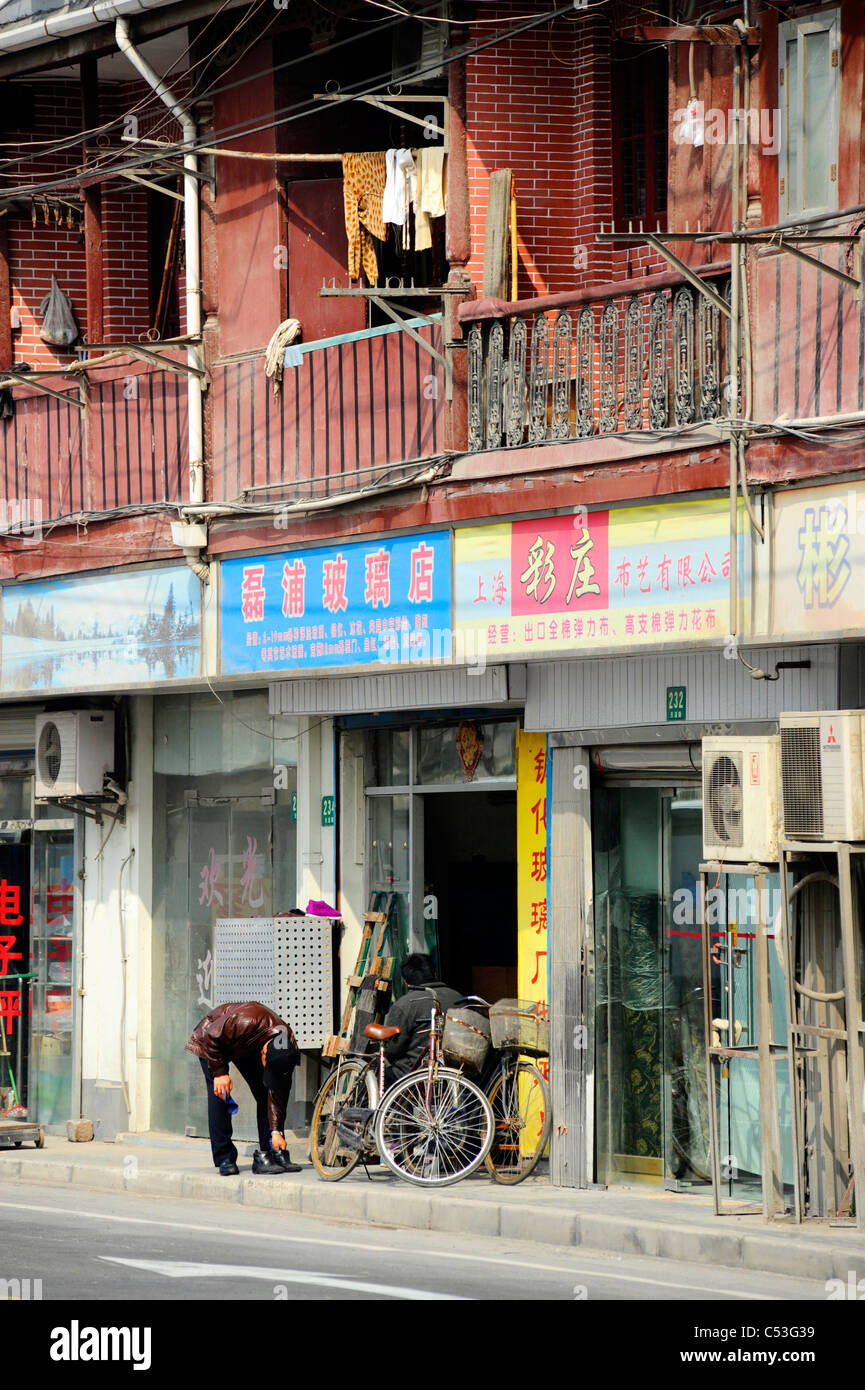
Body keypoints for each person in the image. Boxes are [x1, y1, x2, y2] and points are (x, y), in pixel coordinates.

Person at [186, 1001, 302, 1176]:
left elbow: (278, 1093)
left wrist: (276, 1131)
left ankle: (268, 1152)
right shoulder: (247, 1020)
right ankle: (225, 1157)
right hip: (213, 1042)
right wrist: (219, 1073)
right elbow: (212, 1035)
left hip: (245, 1045)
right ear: (264, 1053)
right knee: (221, 1094)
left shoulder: (287, 1045)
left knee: (266, 1092)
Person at [382, 953, 461, 1084]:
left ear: (406, 982)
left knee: (375, 1085)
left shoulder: (405, 1004)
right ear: (435, 974)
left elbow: (392, 1050)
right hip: (456, 1075)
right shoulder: (458, 998)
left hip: (414, 1077)